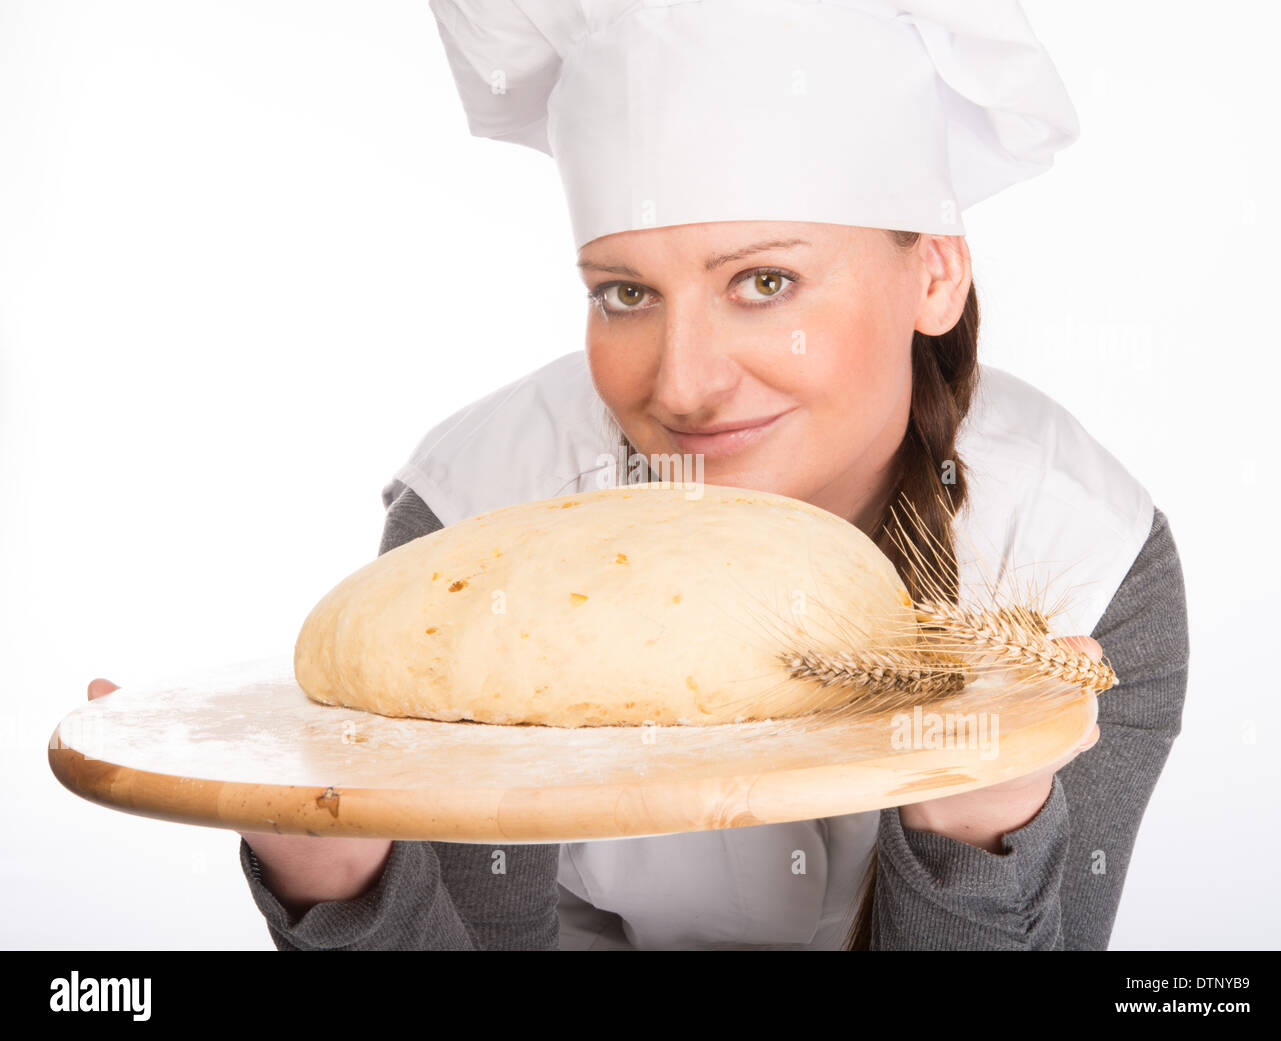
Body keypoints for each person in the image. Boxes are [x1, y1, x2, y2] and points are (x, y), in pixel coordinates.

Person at [92, 0, 1189, 949]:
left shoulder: (1079, 566)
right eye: (624, 293)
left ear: (935, 275)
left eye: (764, 280)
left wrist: (977, 835)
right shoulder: (475, 522)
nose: (683, 384)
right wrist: (336, 877)